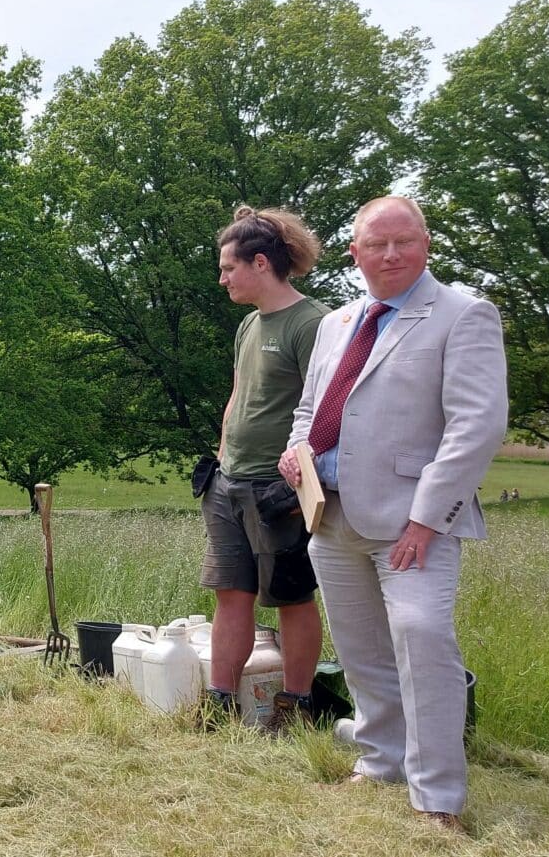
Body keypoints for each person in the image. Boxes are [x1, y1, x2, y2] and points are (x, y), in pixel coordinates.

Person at [279, 197, 507, 833]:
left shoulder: (464, 315)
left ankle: (438, 796)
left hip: (414, 527)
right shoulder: (336, 323)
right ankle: (381, 760)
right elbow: (311, 408)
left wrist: (427, 519)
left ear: (426, 243)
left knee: (424, 643)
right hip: (331, 519)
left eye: (403, 241)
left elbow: (477, 427)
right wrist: (296, 454)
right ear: (354, 253)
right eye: (375, 245)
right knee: (362, 651)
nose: (390, 255)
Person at [200, 206, 329, 734]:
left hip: (279, 489)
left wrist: (297, 471)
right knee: (231, 595)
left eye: (229, 268)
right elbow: (237, 396)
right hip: (228, 482)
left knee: (292, 599)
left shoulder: (313, 323)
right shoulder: (249, 325)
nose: (223, 277)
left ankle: (294, 708)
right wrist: (221, 457)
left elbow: (326, 408)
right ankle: (218, 706)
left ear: (259, 262)